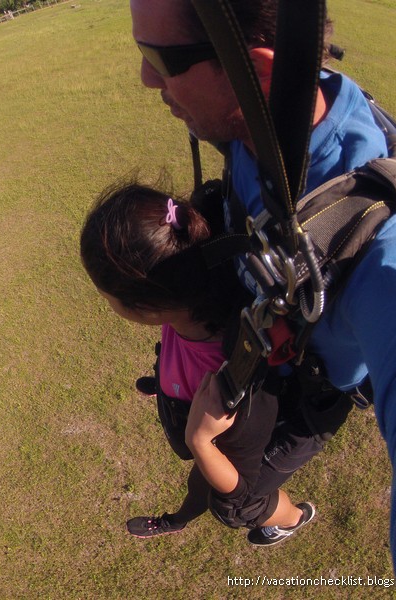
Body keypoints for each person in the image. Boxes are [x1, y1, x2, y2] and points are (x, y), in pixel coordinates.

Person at [129, 1, 396, 597]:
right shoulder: (271, 120)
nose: (146, 78)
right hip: (278, 346)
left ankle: (285, 520)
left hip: (310, 389)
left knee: (237, 502)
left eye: (158, 59)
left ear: (260, 71)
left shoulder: (382, 251)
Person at [80, 181, 315, 544]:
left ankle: (293, 517)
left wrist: (201, 440)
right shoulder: (194, 296)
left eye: (107, 297)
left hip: (226, 444)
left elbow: (241, 485)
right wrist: (167, 382)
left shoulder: (234, 373)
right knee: (199, 488)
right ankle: (179, 517)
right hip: (191, 396)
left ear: (146, 308)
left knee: (228, 504)